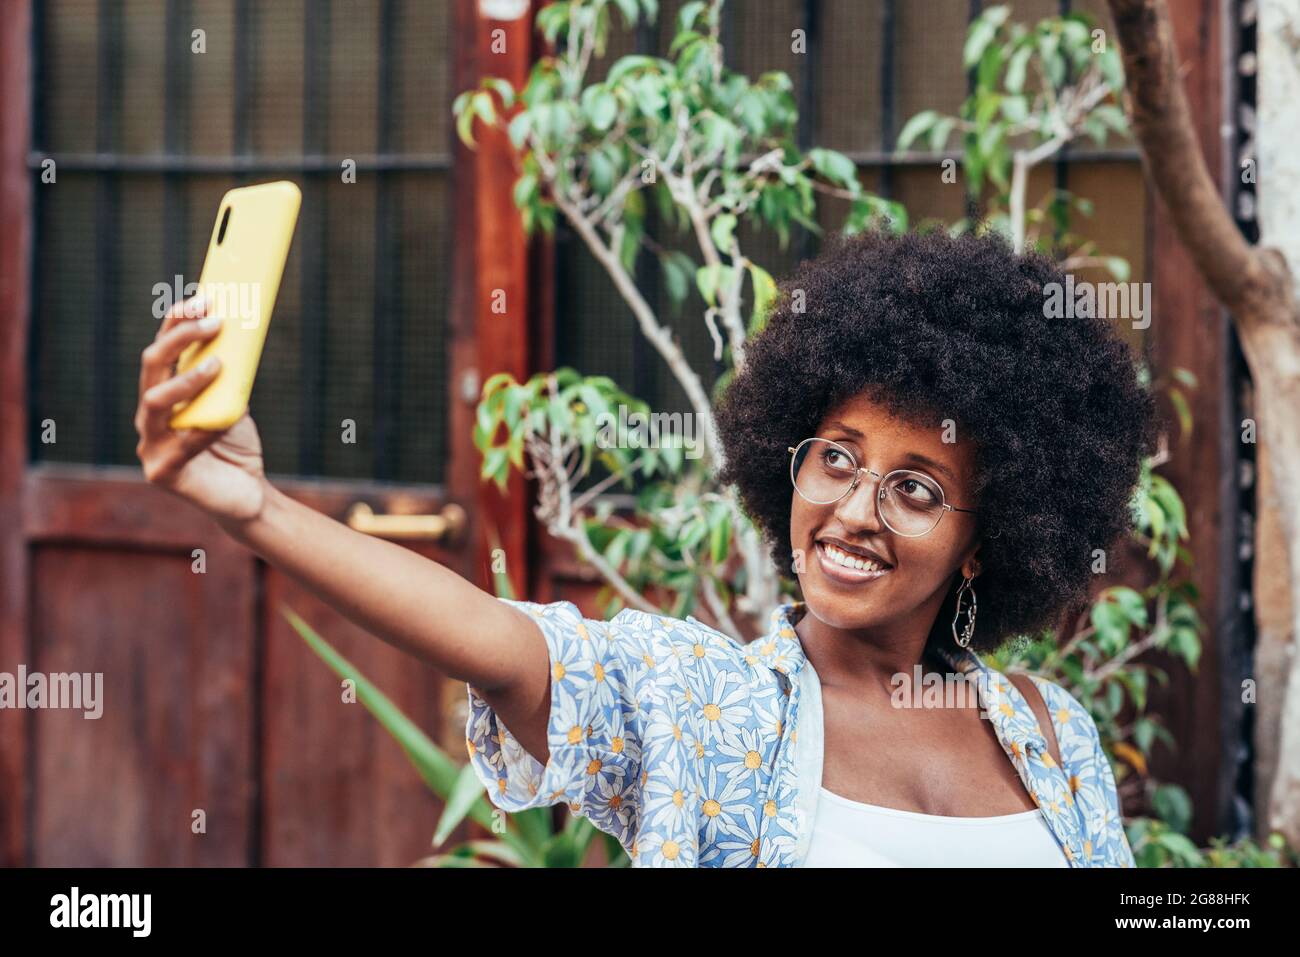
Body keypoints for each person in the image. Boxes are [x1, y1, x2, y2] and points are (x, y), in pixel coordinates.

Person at [135, 229, 1154, 867]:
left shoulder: (1045, 733)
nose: (853, 510)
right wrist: (255, 511)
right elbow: (491, 639)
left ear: (988, 542)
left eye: (917, 489)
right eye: (834, 458)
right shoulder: (699, 703)